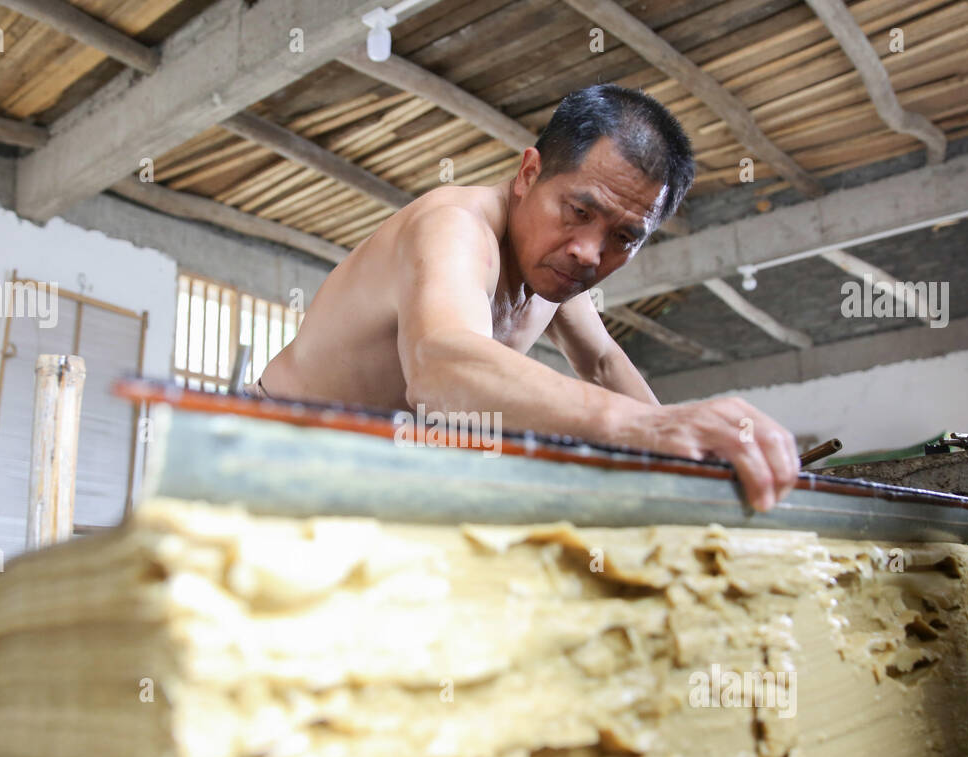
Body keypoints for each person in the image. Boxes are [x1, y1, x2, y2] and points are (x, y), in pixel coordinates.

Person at [251, 83, 799, 512]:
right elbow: (440, 367)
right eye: (579, 212)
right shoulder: (455, 227)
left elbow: (604, 364)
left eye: (623, 237)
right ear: (529, 173)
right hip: (270, 449)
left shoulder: (552, 271)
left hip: (381, 473)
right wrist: (646, 430)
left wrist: (692, 456)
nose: (589, 253)